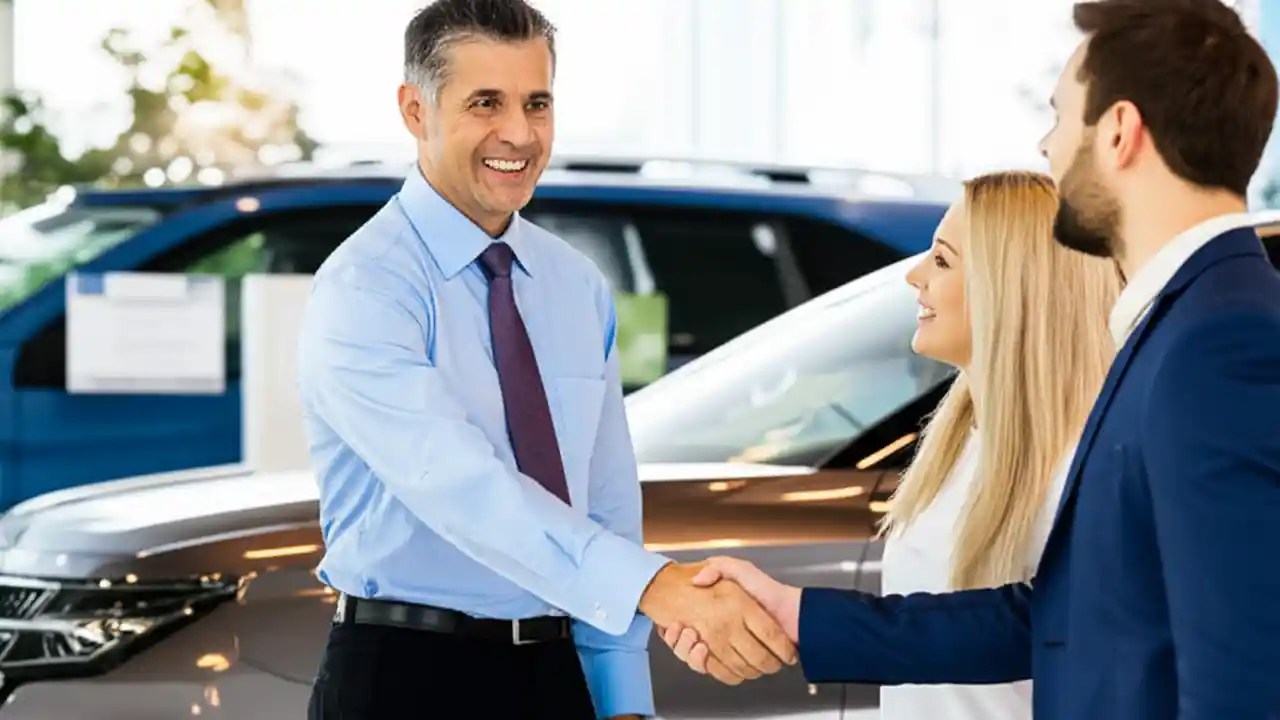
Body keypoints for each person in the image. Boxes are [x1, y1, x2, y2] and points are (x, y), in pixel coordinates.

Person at [661, 1, 1280, 718]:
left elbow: (1245, 676)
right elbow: (1056, 620)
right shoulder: (1181, 323)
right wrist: (801, 615)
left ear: (1118, 133)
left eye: (1060, 117)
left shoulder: (1219, 342)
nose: (1048, 148)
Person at [295, 1, 793, 718]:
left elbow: (609, 509)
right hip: (405, 676)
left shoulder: (575, 286)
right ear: (414, 109)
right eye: (485, 103)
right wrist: (653, 586)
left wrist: (625, 703)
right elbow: (463, 486)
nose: (519, 134)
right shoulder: (366, 286)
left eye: (537, 103)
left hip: (554, 673)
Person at [664, 170, 1119, 719]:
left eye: (943, 260)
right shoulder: (958, 447)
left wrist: (796, 617)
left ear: (1009, 294)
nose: (914, 275)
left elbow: (1028, 629)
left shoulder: (1085, 469)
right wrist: (781, 619)